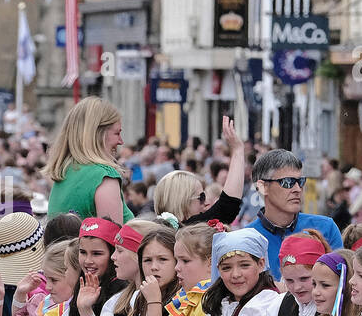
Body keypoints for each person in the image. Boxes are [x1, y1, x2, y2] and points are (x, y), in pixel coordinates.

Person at [245, 150, 343, 278]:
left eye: (300, 181)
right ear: (263, 187)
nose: (297, 189)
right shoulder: (247, 238)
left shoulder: (325, 227)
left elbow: (341, 282)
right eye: (287, 182)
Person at [43, 96, 131, 224]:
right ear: (96, 134)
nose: (121, 141)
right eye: (117, 133)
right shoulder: (103, 176)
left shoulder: (64, 172)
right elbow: (112, 240)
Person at [152, 116, 245, 226]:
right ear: (182, 202)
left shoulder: (157, 234)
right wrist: (238, 149)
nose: (207, 203)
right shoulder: (189, 231)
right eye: (201, 197)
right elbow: (228, 205)